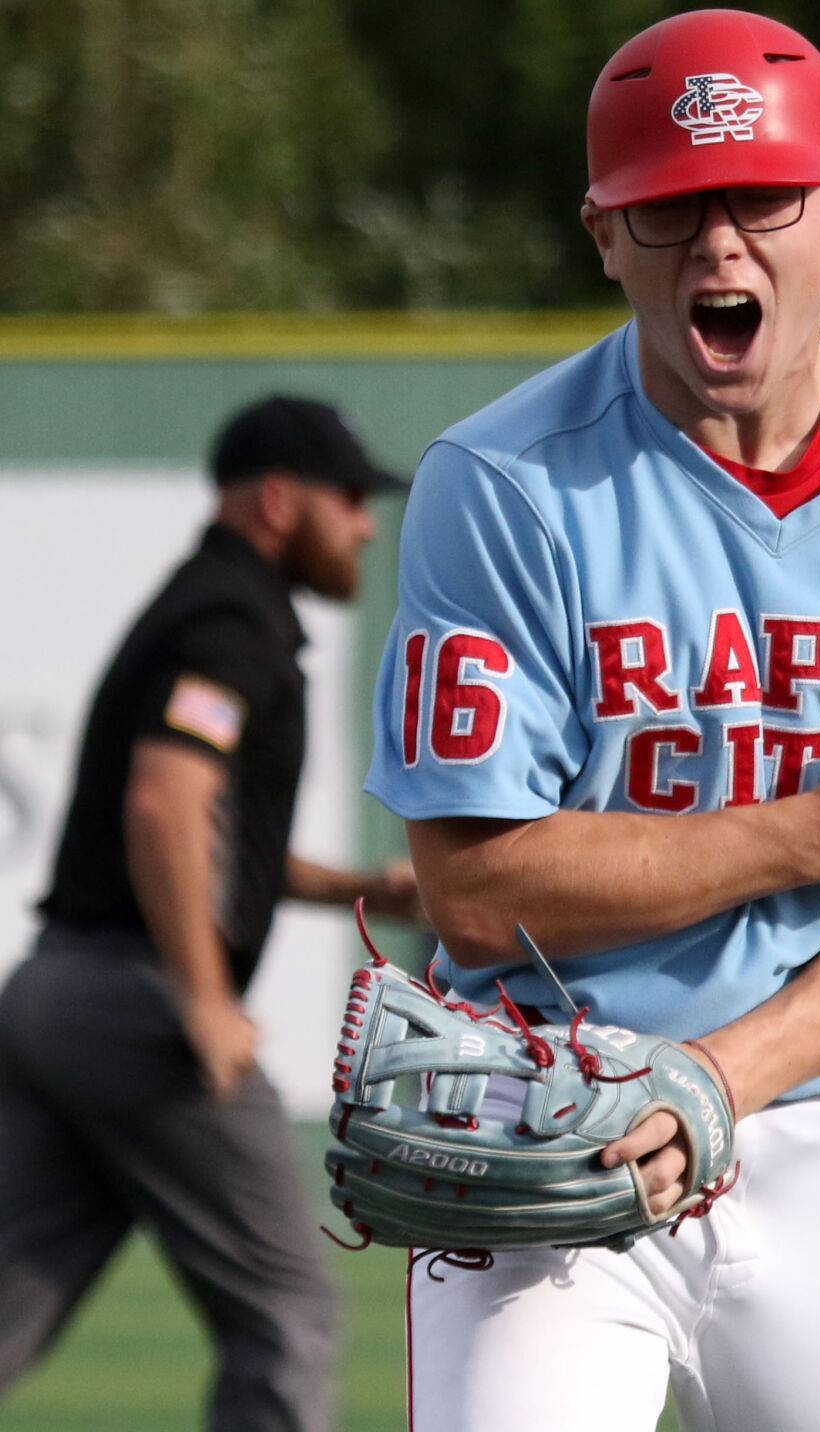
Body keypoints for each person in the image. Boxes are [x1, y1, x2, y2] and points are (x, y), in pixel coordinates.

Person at [365, 11, 820, 1431]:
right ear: (604, 235)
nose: (720, 243)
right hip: (546, 1127)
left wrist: (718, 1081)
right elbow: (476, 891)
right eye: (669, 208)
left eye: (763, 198)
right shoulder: (503, 485)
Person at [0, 394, 422, 1432]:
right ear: (278, 500)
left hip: (58, 996)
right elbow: (165, 803)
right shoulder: (229, 622)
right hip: (135, 1009)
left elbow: (212, 839)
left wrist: (363, 889)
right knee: (290, 1309)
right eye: (349, 498)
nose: (365, 523)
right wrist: (199, 996)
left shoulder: (209, 606)